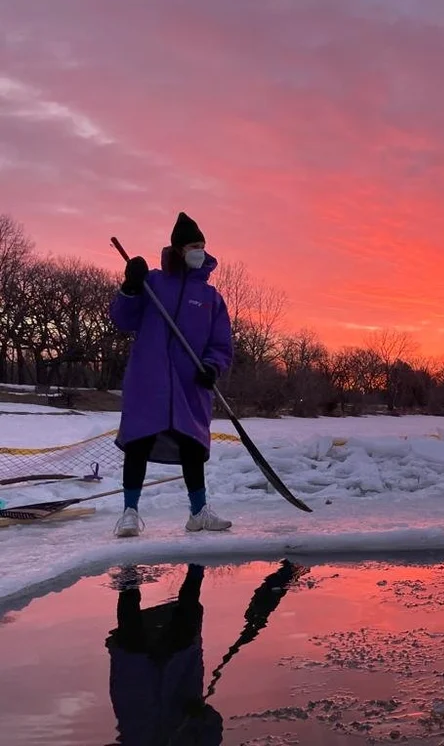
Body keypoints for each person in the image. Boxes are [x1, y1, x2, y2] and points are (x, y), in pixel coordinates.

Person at [110, 212, 234, 538]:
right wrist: (130, 286)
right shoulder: (152, 283)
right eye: (195, 245)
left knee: (193, 447)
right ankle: (129, 513)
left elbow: (221, 344)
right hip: (148, 382)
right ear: (178, 249)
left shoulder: (211, 298)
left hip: (190, 383)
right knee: (139, 442)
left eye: (203, 246)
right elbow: (123, 319)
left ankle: (199, 513)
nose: (201, 252)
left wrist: (211, 366)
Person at [106, 563, 224, 745]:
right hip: (181, 683)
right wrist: (202, 716)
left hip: (135, 692)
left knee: (129, 636)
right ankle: (196, 568)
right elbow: (213, 727)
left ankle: (128, 572)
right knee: (186, 627)